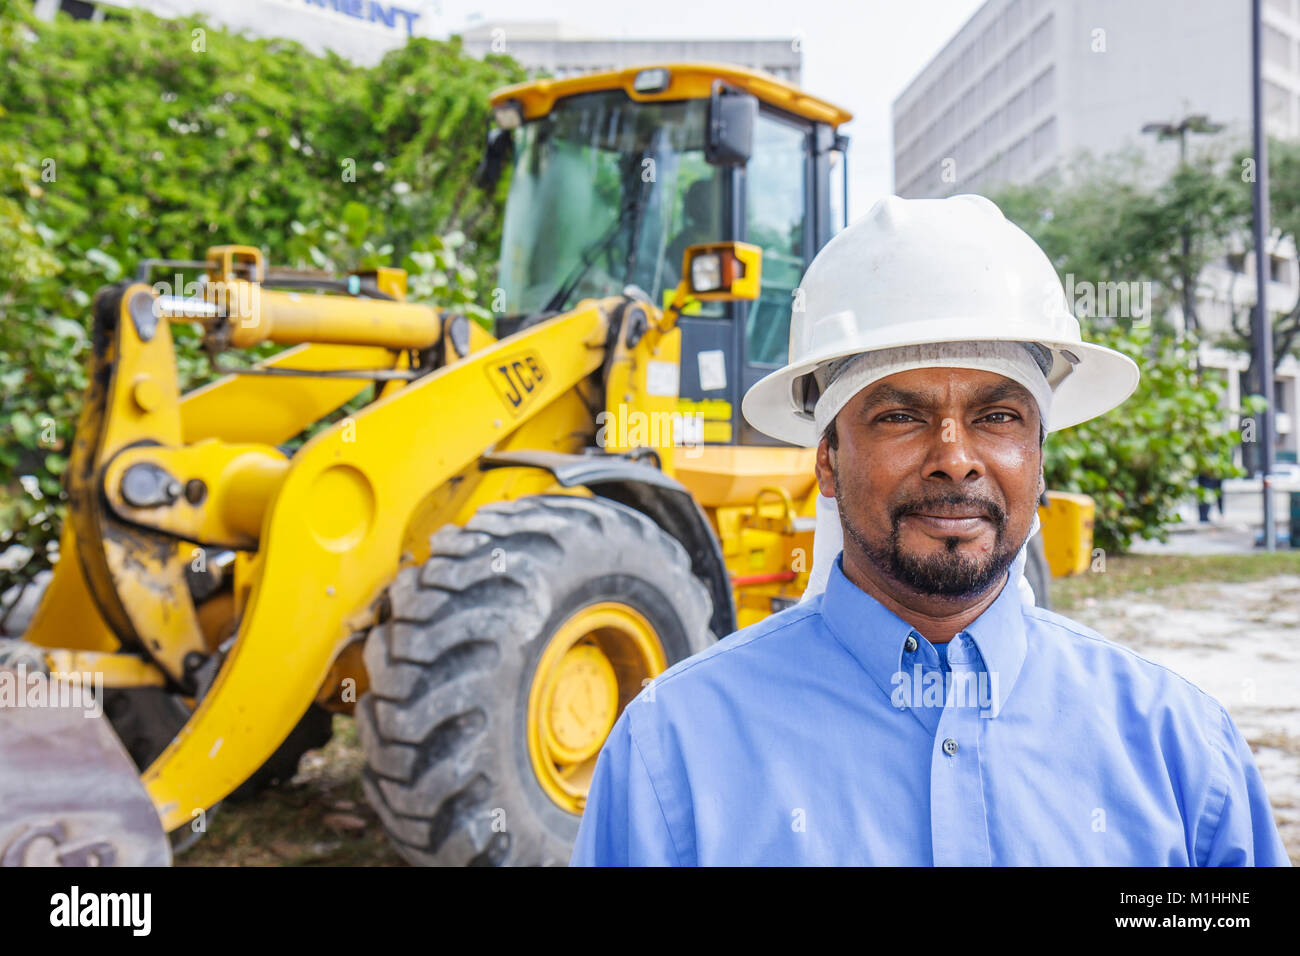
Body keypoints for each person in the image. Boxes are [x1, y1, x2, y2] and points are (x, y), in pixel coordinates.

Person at [571, 194, 1289, 866]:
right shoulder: (673, 753)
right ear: (826, 459)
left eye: (998, 417)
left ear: (1038, 460)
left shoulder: (1180, 750)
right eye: (900, 417)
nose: (954, 459)